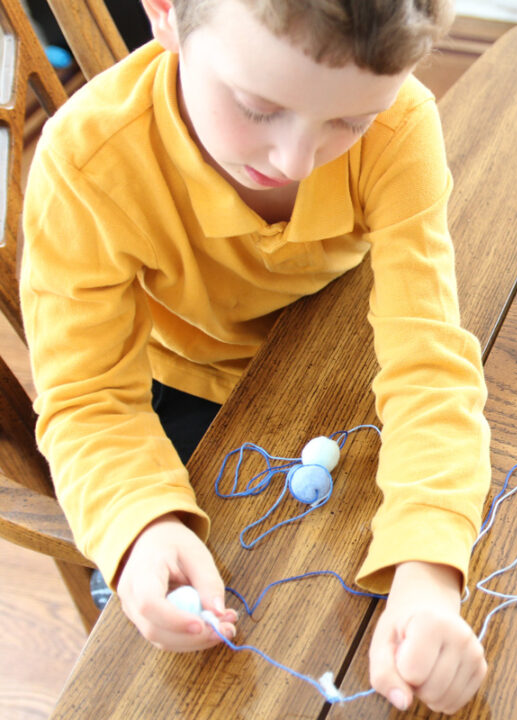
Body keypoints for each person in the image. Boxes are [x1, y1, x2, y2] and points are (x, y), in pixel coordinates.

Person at [19, 0, 490, 713]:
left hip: (343, 350)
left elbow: (427, 362)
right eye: (257, 107)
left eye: (349, 121)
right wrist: (141, 527)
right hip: (185, 388)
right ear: (166, 14)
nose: (295, 160)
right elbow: (87, 399)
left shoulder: (402, 126)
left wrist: (428, 572)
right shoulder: (84, 166)